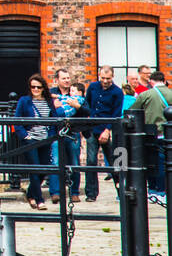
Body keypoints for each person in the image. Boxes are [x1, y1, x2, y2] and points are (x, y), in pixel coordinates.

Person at [13, 74, 54, 210]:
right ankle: (39, 199)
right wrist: (25, 136)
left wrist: (51, 135)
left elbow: (54, 119)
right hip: (31, 140)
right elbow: (17, 120)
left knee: (44, 169)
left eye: (38, 87)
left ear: (43, 88)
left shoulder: (48, 101)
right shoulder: (24, 101)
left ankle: (30, 194)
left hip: (45, 139)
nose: (35, 89)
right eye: (33, 87)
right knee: (35, 169)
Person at [84, 66, 125, 202]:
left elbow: (116, 113)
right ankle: (91, 193)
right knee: (91, 161)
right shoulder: (93, 87)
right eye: (103, 78)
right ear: (99, 75)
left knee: (114, 161)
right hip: (92, 129)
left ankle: (121, 191)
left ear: (112, 76)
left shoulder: (117, 92)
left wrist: (107, 130)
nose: (105, 81)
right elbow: (87, 104)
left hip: (106, 129)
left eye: (108, 78)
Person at [131, 71, 170, 196]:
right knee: (167, 162)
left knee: (155, 162)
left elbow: (132, 110)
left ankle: (158, 189)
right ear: (164, 81)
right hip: (169, 133)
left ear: (151, 81)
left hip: (154, 133)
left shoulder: (146, 94)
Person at [48, 82, 88, 203]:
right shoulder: (55, 94)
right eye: (64, 78)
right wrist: (57, 106)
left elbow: (87, 111)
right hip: (57, 133)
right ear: (57, 80)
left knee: (74, 162)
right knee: (55, 162)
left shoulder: (79, 99)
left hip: (73, 133)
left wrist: (77, 106)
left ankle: (74, 192)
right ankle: (55, 193)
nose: (67, 80)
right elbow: (52, 113)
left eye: (68, 78)